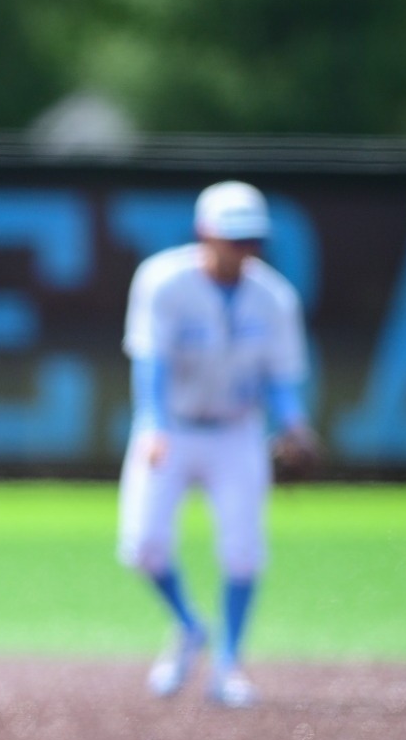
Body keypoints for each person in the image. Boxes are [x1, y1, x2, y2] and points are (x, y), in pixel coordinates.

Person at [116, 180, 317, 709]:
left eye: (253, 239)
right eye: (235, 238)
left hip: (235, 431)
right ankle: (189, 626)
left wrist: (294, 424)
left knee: (244, 553)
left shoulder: (274, 297)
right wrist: (154, 424)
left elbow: (280, 377)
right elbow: (150, 361)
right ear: (205, 232)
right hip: (173, 428)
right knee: (143, 546)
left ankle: (228, 665)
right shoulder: (164, 281)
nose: (244, 249)